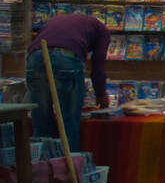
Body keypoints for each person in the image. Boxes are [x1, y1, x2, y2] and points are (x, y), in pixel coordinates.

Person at [27, 13, 110, 151]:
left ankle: (42, 167)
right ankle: (67, 167)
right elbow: (98, 67)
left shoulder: (57, 19)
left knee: (40, 120)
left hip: (35, 57)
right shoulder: (103, 31)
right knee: (68, 122)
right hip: (66, 58)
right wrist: (100, 94)